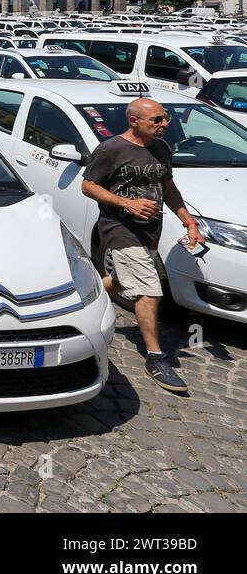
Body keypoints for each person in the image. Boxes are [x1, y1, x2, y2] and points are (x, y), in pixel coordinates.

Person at [82, 97, 204, 394]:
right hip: (119, 228)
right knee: (149, 289)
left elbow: (169, 188)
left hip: (150, 231)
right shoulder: (112, 149)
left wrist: (189, 221)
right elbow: (88, 185)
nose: (164, 125)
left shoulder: (162, 148)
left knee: (125, 282)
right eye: (157, 120)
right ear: (134, 121)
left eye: (165, 119)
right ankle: (155, 357)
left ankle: (81, 296)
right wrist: (127, 203)